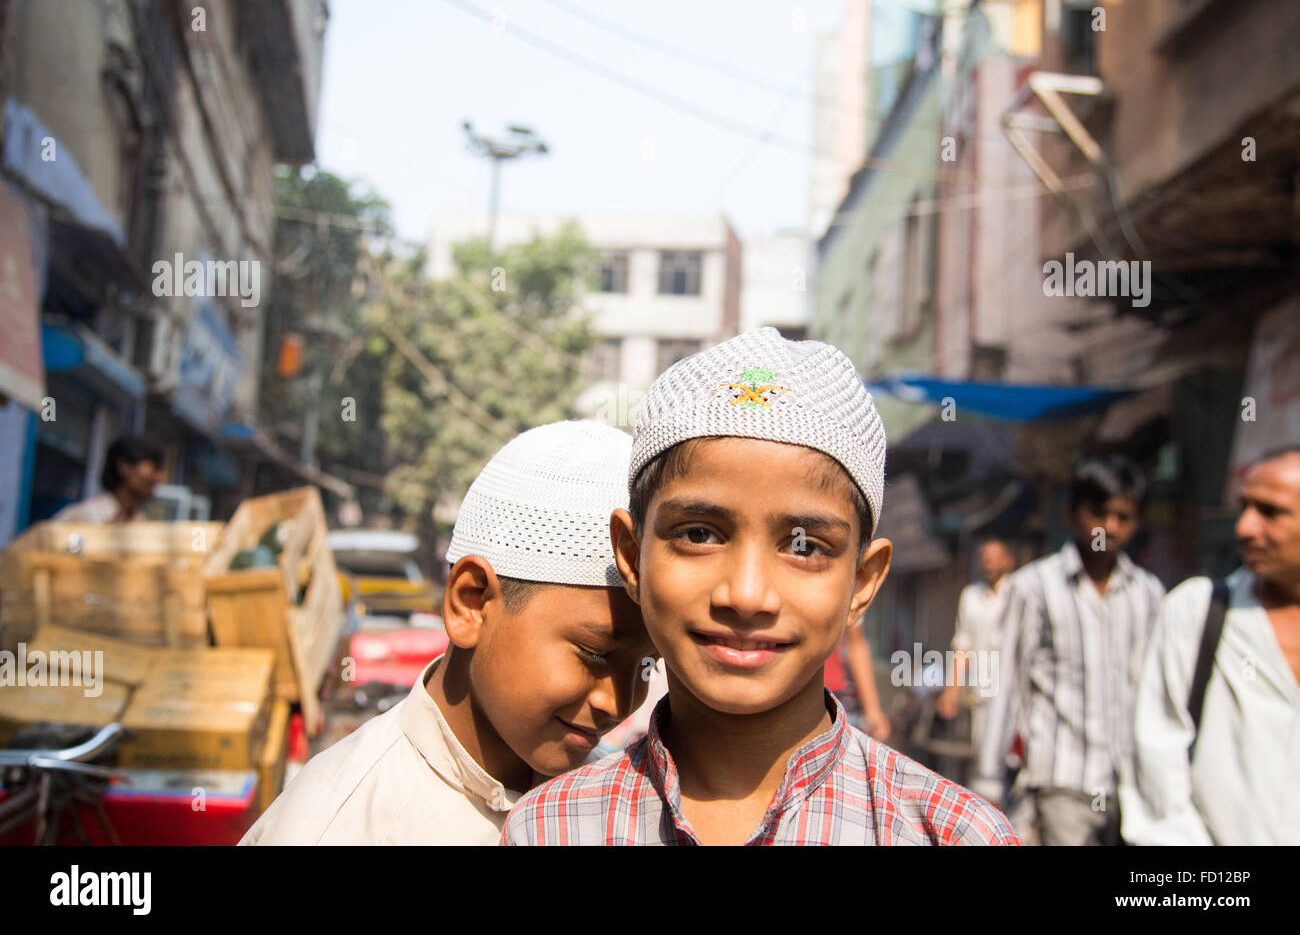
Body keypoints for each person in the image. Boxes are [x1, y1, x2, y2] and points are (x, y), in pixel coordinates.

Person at [501, 328, 1019, 845]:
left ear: (862, 585)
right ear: (633, 557)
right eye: (699, 534)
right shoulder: (552, 828)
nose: (747, 595)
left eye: (804, 547)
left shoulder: (952, 834)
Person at [241, 420, 657, 845]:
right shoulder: (337, 827)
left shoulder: (615, 809)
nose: (618, 701)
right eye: (594, 653)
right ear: (471, 603)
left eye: (646, 665)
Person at [971, 455, 1165, 845]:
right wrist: (988, 778)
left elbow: (1157, 692)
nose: (1109, 527)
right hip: (1061, 783)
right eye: (1099, 513)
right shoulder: (1034, 587)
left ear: (1136, 521)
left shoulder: (1149, 594)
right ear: (1071, 513)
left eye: (1122, 516)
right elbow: (1006, 683)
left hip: (1129, 789)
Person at [1119, 444, 1300, 844]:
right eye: (1246, 507)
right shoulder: (1200, 611)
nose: (1245, 527)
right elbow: (1156, 767)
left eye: (1270, 511)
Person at [937, 538, 1016, 777]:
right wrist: (951, 691)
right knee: (983, 765)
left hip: (1014, 697)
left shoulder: (1019, 594)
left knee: (1011, 762)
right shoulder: (971, 596)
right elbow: (963, 645)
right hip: (982, 694)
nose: (989, 564)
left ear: (1008, 561)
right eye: (985, 559)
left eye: (994, 559)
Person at [51, 436, 164, 523]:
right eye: (155, 468)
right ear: (125, 467)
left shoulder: (141, 523)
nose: (160, 478)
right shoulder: (83, 517)